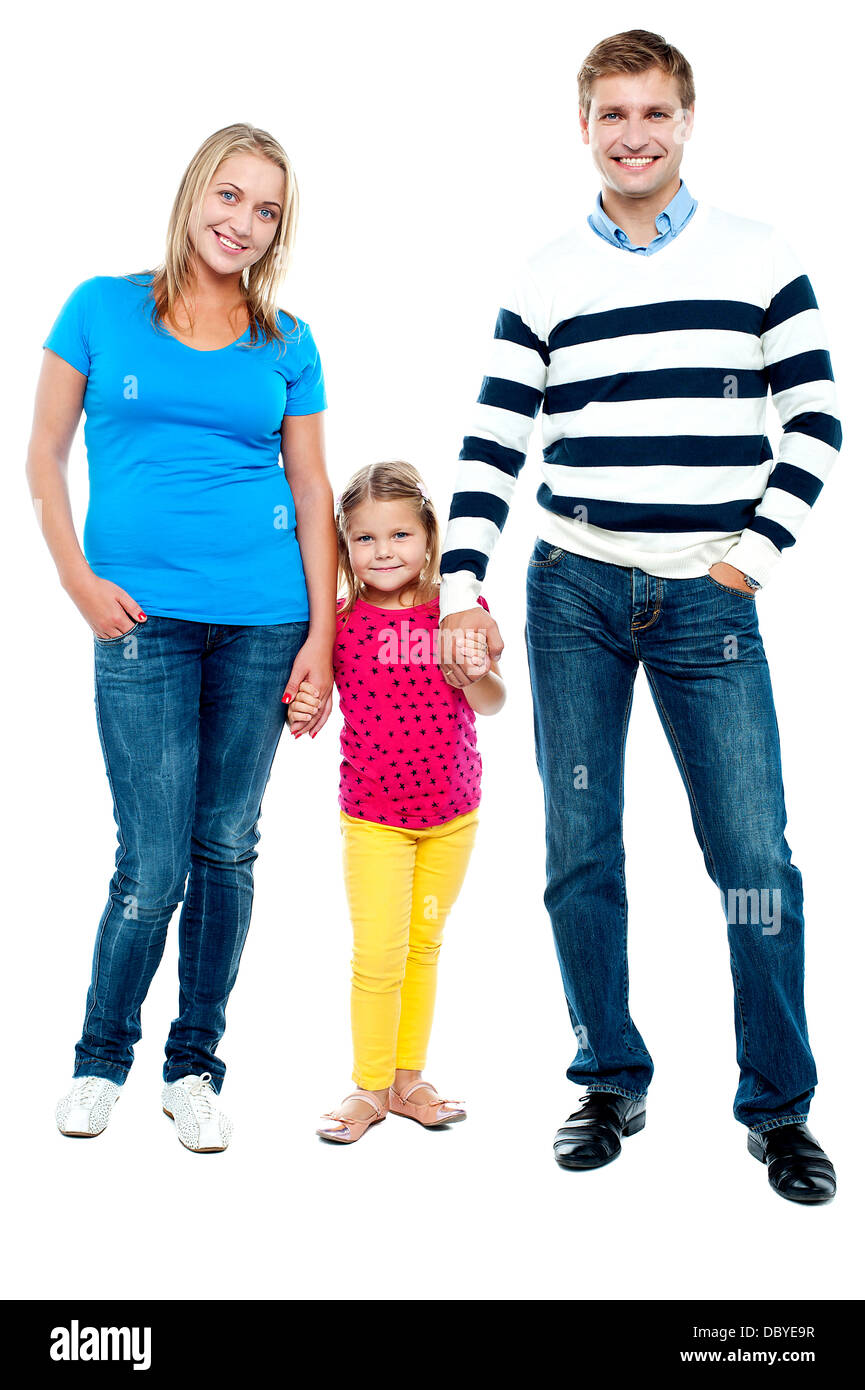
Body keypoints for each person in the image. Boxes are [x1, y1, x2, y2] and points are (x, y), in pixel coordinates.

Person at [436, 30, 841, 1203]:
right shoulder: (545, 274)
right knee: (580, 848)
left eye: (653, 113)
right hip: (571, 590)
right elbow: (494, 441)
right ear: (583, 125)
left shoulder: (759, 257)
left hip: (706, 600)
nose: (633, 134)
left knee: (754, 857)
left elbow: (815, 423)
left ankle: (778, 1106)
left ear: (686, 119)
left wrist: (746, 564)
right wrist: (461, 583)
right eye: (612, 113)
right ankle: (608, 1076)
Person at [28, 123, 335, 1153]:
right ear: (194, 191)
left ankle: (193, 1066)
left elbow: (310, 489)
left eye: (266, 212)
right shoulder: (100, 307)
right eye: (230, 196)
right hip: (140, 623)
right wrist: (76, 579)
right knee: (152, 862)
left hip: (265, 621)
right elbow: (41, 454)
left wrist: (322, 640)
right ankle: (98, 1058)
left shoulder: (286, 339)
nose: (241, 223)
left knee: (227, 848)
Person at [287, 461, 504, 1143]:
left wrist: (470, 673)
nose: (384, 553)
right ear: (345, 546)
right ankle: (369, 1087)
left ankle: (409, 1080)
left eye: (400, 535)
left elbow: (495, 701)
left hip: (452, 814)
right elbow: (310, 690)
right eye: (365, 539)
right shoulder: (341, 624)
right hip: (374, 819)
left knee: (422, 946)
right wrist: (302, 704)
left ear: (430, 537)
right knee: (377, 953)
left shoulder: (456, 610)